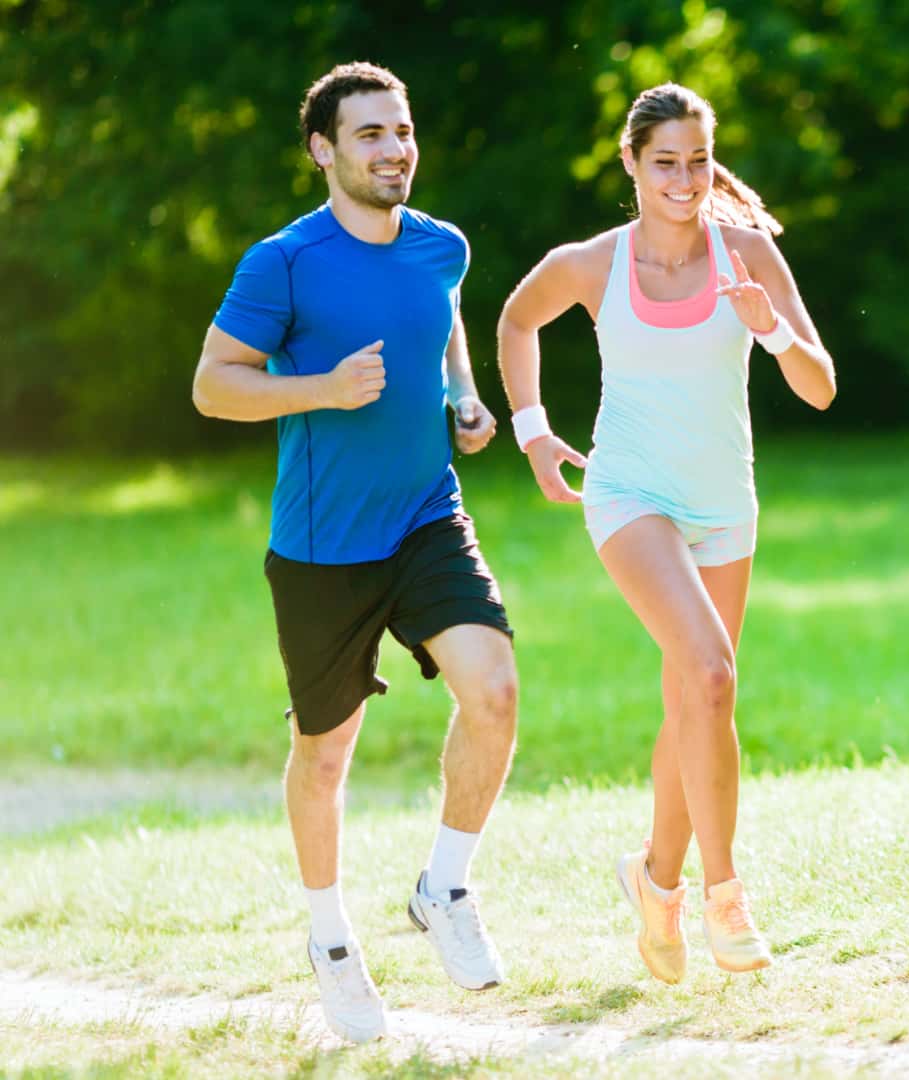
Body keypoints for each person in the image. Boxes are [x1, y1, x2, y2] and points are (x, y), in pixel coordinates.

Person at [190, 62, 517, 1043]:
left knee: (494, 690)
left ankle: (444, 888)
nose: (393, 150)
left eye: (402, 130)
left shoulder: (441, 248)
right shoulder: (281, 263)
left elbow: (444, 315)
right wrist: (320, 390)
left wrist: (463, 393)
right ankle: (331, 940)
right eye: (370, 134)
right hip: (323, 548)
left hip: (426, 515)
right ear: (324, 150)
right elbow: (214, 384)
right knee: (324, 756)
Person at [497, 82, 835, 981]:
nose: (683, 179)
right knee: (713, 669)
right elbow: (516, 319)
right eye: (664, 163)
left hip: (725, 501)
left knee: (695, 696)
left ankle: (653, 882)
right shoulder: (594, 263)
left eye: (697, 161)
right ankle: (723, 899)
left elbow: (820, 386)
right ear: (632, 165)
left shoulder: (750, 256)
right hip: (630, 493)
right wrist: (532, 432)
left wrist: (772, 335)